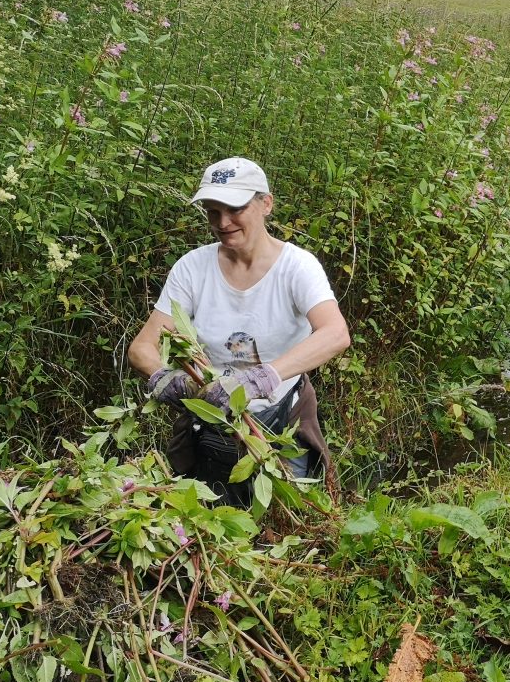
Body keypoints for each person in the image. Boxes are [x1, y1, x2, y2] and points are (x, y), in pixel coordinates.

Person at [127, 156, 351, 502]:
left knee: (288, 512)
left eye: (235, 209)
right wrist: (164, 378)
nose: (223, 222)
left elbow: (335, 333)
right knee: (213, 519)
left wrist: (262, 378)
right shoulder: (193, 269)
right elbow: (142, 347)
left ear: (266, 204)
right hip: (213, 422)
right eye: (212, 212)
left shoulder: (296, 267)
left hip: (282, 420)